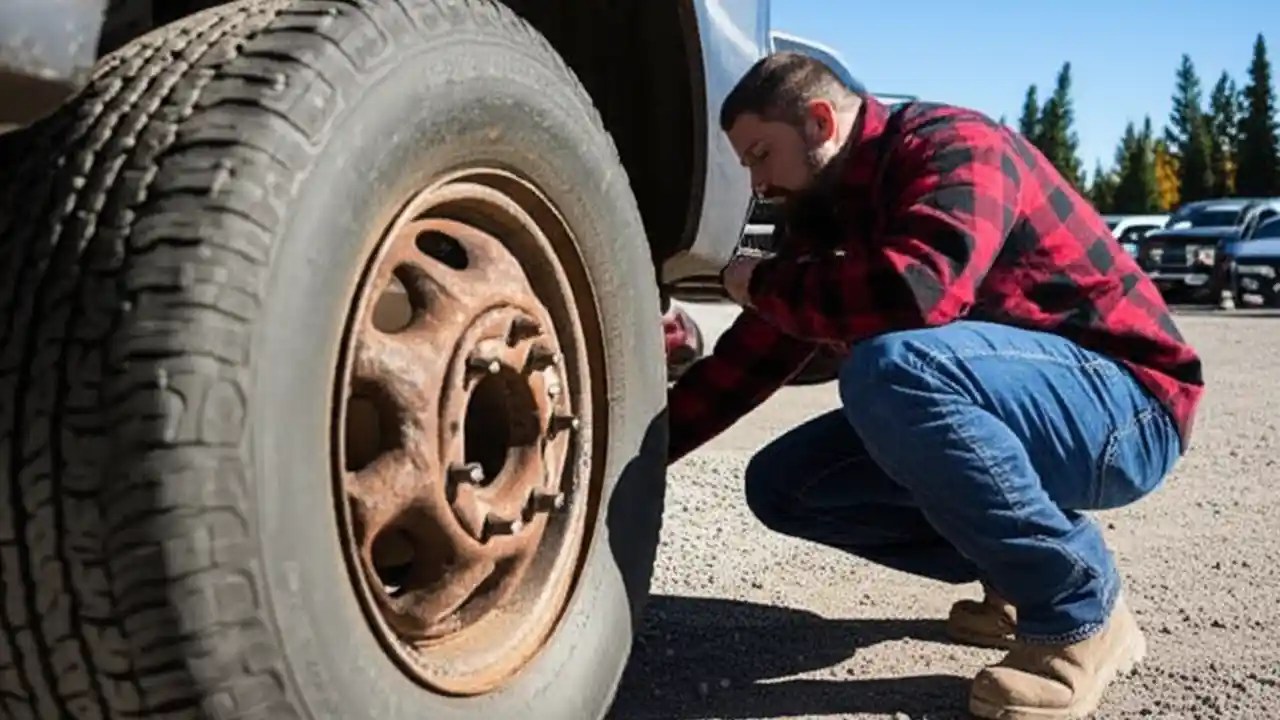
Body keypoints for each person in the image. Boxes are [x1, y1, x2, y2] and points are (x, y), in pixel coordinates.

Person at [665, 52, 1203, 720]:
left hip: (1128, 407)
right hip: (1030, 410)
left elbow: (915, 294)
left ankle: (1078, 610)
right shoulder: (827, 215)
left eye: (760, 154)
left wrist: (760, 283)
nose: (759, 183)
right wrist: (631, 459)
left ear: (819, 122)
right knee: (784, 484)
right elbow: (745, 362)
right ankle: (1017, 570)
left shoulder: (953, 146)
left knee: (892, 371)